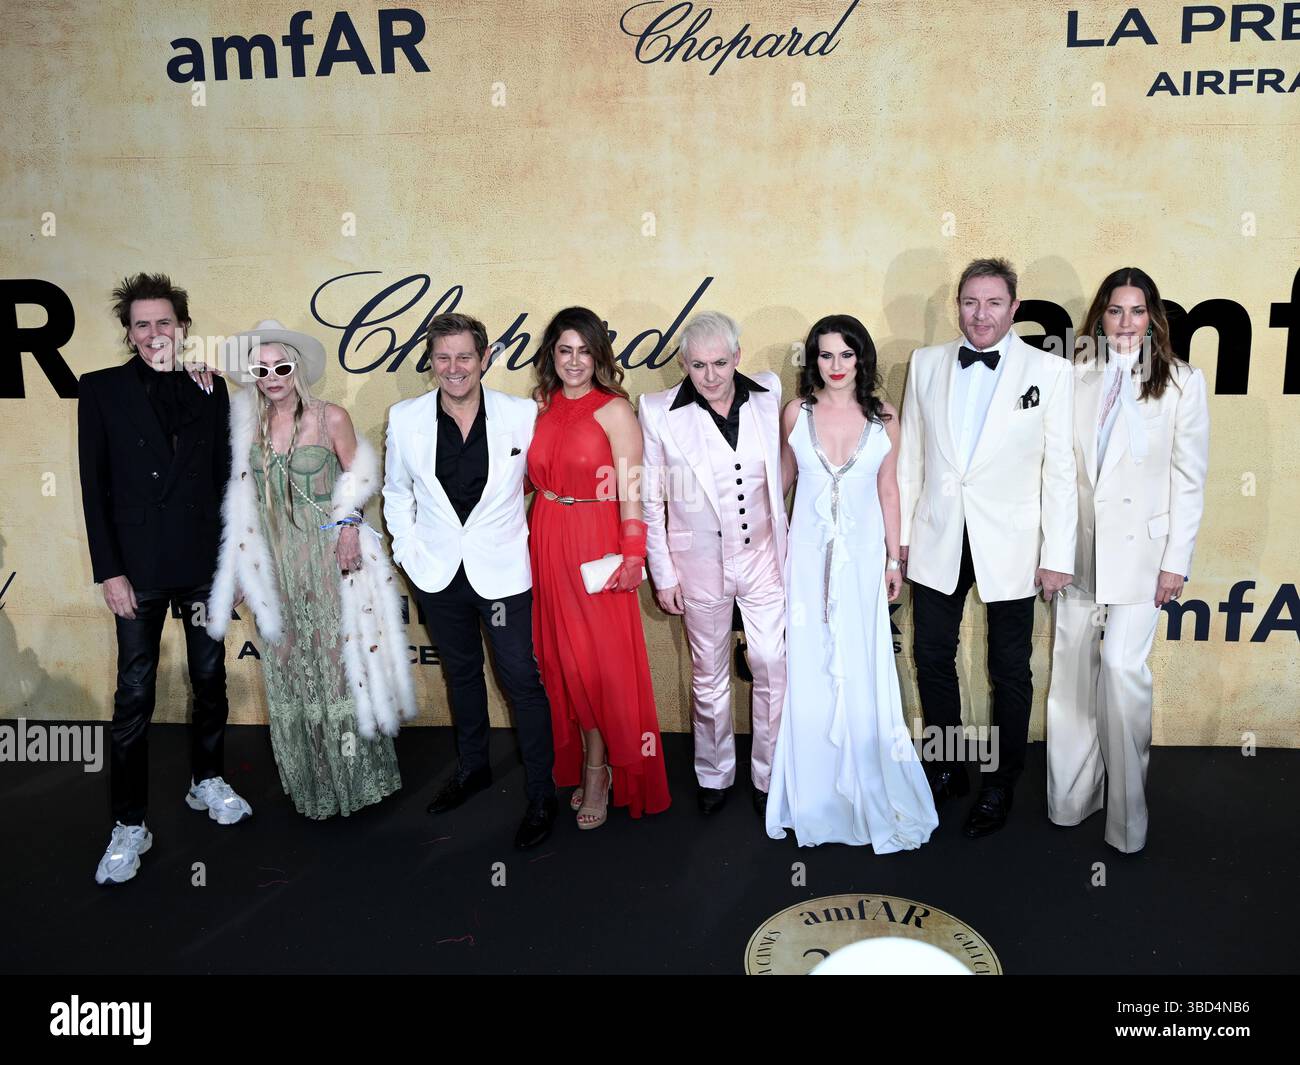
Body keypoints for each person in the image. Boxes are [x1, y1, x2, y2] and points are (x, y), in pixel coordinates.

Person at [79, 272, 251, 885]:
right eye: (142, 323)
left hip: (202, 565)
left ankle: (206, 781)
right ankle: (130, 822)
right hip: (139, 571)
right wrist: (110, 572)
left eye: (165, 322)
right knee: (134, 695)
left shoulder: (210, 389)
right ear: (128, 333)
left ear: (183, 327)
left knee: (210, 677)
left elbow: (225, 479)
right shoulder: (98, 391)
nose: (155, 333)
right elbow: (93, 490)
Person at [897, 258, 1077, 838]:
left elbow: (1061, 472)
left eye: (994, 303)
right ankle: (946, 766)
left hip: (1014, 543)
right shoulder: (925, 365)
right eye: (971, 302)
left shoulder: (1049, 372)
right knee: (931, 657)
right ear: (959, 306)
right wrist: (897, 544)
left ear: (1014, 309)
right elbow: (911, 463)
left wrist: (1058, 553)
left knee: (1009, 669)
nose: (981, 314)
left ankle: (1000, 784)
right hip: (937, 535)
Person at [206, 320, 411, 818]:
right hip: (274, 565)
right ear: (253, 375)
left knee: (339, 667)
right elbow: (244, 502)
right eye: (262, 368)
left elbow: (361, 478)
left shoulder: (330, 417)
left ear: (296, 368)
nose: (272, 375)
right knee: (290, 668)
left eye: (281, 366)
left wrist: (347, 528)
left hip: (327, 560)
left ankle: (360, 780)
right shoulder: (246, 429)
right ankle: (316, 781)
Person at [1046, 268, 1210, 853]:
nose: (1125, 323)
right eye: (1115, 311)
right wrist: (1055, 553)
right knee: (1070, 677)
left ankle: (1128, 820)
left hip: (1144, 560)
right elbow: (1062, 473)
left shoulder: (1183, 383)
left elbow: (1190, 480)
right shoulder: (1074, 376)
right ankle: (1071, 801)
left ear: (1154, 319)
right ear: (1100, 317)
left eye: (1137, 312)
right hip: (1080, 558)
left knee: (1119, 670)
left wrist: (1176, 561)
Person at [383, 313, 558, 849]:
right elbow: (396, 493)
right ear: (430, 362)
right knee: (461, 676)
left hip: (503, 573)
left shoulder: (523, 414)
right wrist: (409, 555)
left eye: (464, 357)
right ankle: (473, 768)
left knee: (521, 682)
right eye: (443, 357)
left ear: (484, 358)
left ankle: (541, 791)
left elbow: (549, 477)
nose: (454, 368)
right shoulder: (405, 417)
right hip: (437, 574)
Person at [765, 314, 937, 850]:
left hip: (863, 563)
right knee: (811, 669)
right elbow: (781, 484)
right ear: (812, 360)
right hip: (807, 564)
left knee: (864, 667)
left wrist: (894, 560)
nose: (835, 366)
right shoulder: (796, 413)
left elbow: (890, 491)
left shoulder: (885, 418)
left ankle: (869, 786)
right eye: (825, 355)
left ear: (861, 358)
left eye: (845, 355)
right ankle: (816, 795)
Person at [527, 306, 670, 828]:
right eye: (564, 350)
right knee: (562, 663)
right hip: (546, 538)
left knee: (597, 667)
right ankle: (591, 763)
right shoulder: (540, 406)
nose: (574, 361)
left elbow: (632, 489)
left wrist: (635, 554)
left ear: (599, 355)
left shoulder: (614, 411)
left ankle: (599, 770)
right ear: (551, 356)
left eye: (584, 350)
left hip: (596, 545)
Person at [640, 311, 787, 816]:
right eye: (698, 365)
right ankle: (715, 773)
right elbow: (649, 499)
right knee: (709, 676)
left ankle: (770, 776)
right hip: (697, 565)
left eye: (720, 363)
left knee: (772, 664)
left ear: (738, 357)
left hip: (765, 558)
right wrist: (662, 573)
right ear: (684, 362)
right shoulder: (658, 409)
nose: (710, 375)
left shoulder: (770, 393)